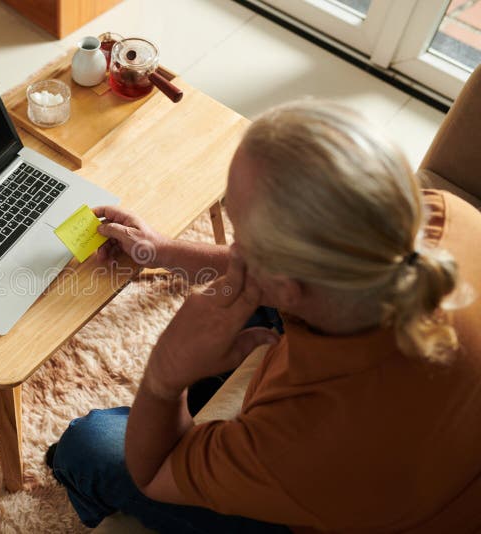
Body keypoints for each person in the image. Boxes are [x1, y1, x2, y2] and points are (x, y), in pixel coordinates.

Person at [46, 100, 481, 533]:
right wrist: (160, 250)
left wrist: (166, 373)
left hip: (327, 505)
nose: (233, 249)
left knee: (87, 446)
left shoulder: (305, 440)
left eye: (238, 232)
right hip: (427, 448)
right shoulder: (444, 217)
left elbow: (155, 473)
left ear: (287, 286)